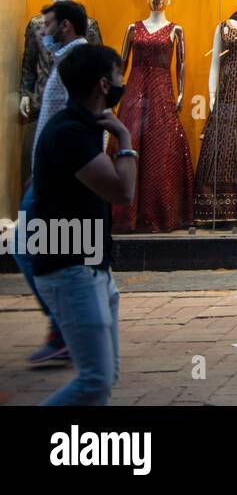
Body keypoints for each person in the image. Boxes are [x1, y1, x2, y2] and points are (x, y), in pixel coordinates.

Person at [30, 44, 136, 405]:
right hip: (69, 268)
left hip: (90, 266)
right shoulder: (71, 133)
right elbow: (122, 191)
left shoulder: (84, 127)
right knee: (94, 381)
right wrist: (125, 141)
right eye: (119, 75)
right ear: (104, 85)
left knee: (104, 380)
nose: (124, 82)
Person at [17, 0, 92, 367]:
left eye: (48, 25)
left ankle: (65, 328)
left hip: (59, 175)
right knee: (53, 250)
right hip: (52, 172)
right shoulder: (66, 61)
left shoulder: (77, 64)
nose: (43, 32)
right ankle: (65, 328)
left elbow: (88, 119)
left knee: (29, 246)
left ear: (65, 26)